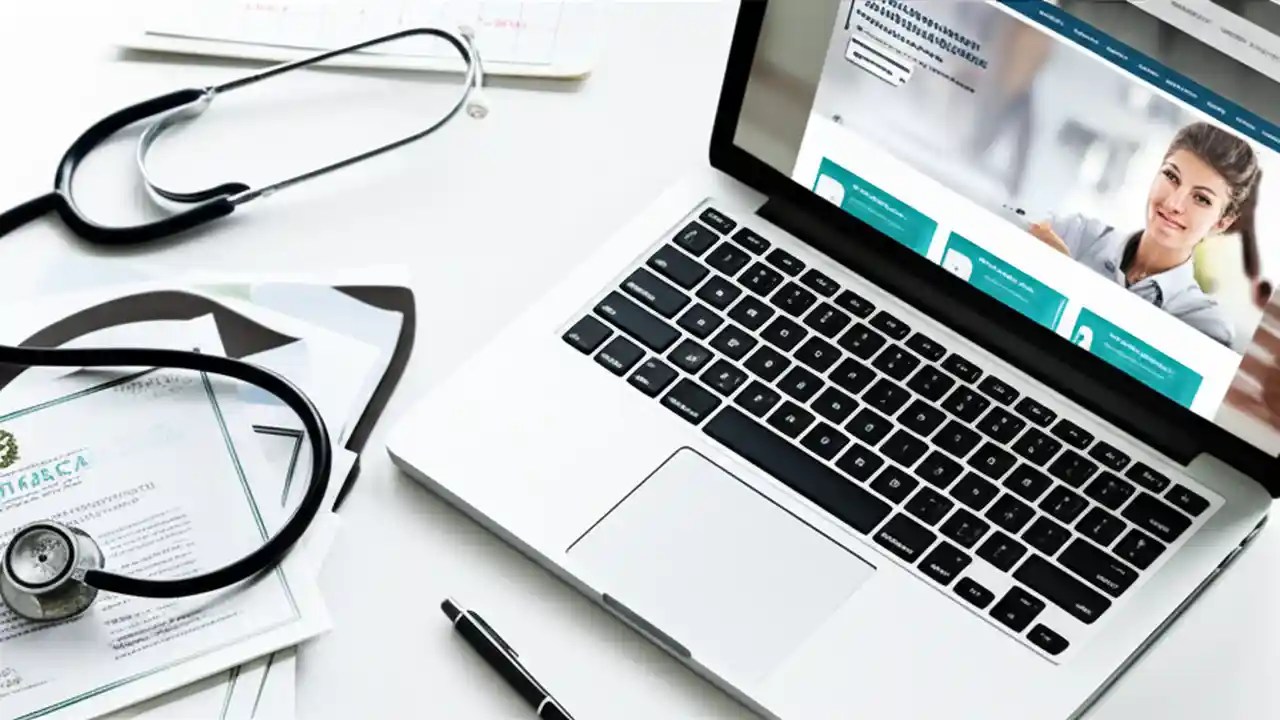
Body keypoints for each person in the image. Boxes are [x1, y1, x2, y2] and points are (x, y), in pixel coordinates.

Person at [1026, 121, 1266, 348]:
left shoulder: (1205, 325)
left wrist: (1062, 275)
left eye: (1201, 199)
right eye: (1171, 176)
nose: (1174, 203)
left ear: (1221, 223)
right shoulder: (1077, 234)